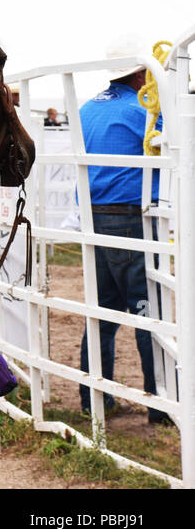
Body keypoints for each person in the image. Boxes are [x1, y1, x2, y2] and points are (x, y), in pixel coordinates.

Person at [77, 44, 169, 424]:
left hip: (94, 220)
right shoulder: (142, 113)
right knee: (150, 312)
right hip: (132, 219)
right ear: (140, 75)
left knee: (102, 312)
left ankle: (93, 398)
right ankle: (161, 405)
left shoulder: (85, 109)